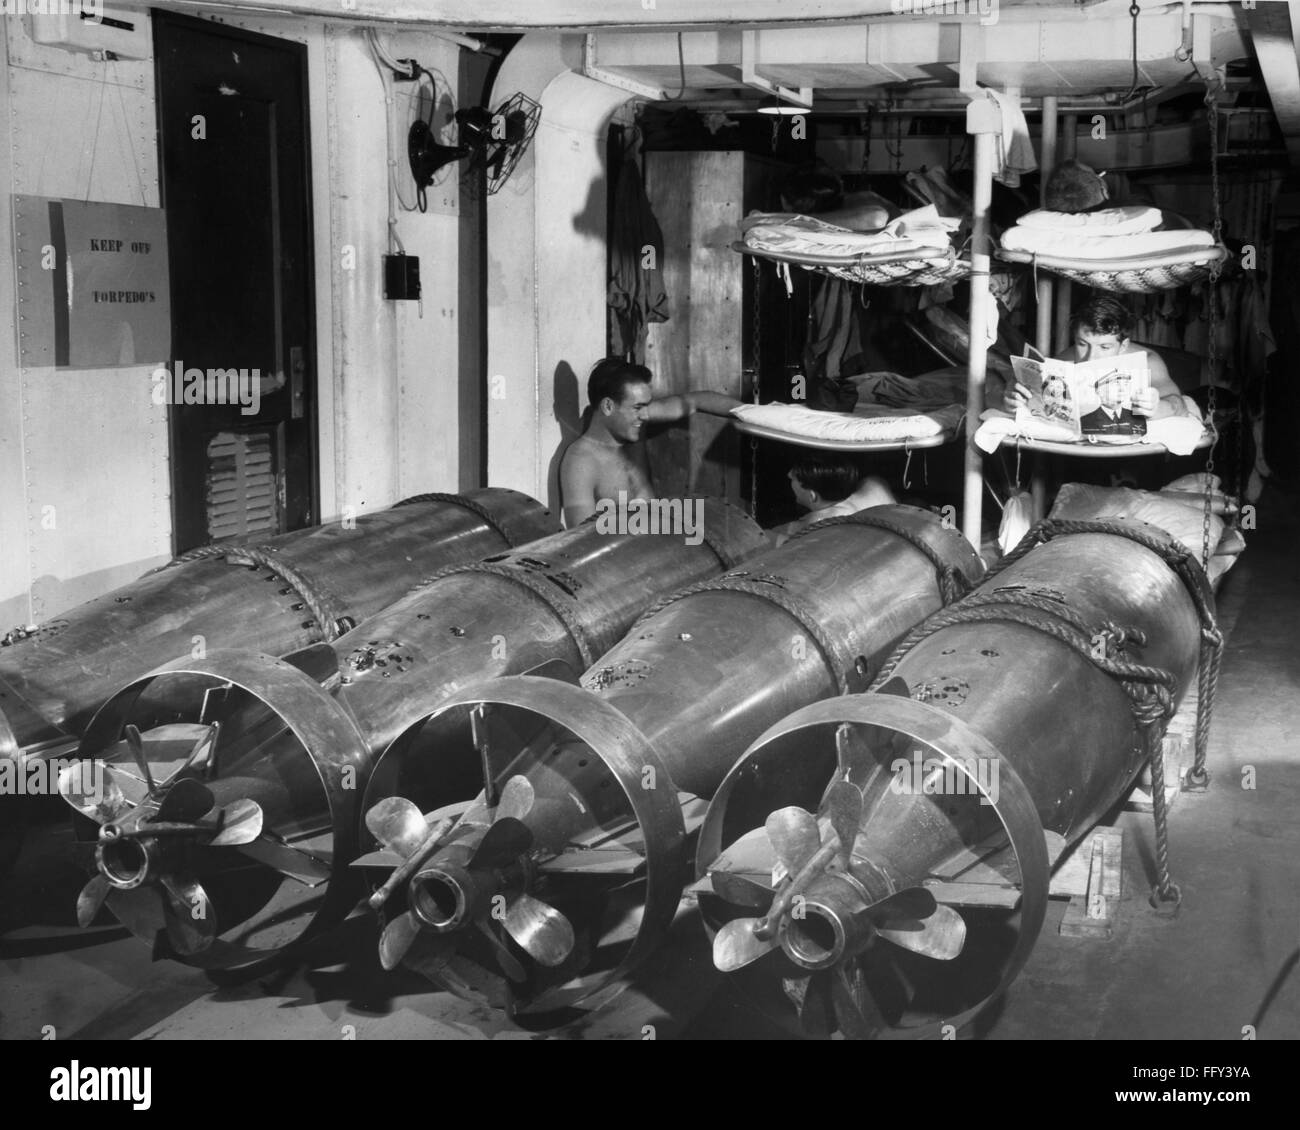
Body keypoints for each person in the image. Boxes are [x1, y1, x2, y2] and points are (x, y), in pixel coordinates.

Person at [559, 357, 743, 527]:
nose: (646, 415)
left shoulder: (630, 420)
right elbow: (581, 543)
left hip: (660, 541)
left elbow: (696, 401)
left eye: (646, 405)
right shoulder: (581, 463)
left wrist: (755, 413)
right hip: (629, 557)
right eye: (638, 407)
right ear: (608, 406)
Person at [1004, 295, 1188, 421]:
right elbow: (1032, 399)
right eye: (1082, 344)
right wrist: (1014, 401)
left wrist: (1156, 407)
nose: (1091, 358)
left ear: (1122, 345)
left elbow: (1179, 404)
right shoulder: (1065, 361)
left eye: (1105, 347)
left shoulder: (1147, 361)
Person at [773, 452, 895, 545]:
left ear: (812, 496)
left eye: (794, 478)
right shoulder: (875, 485)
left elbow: (769, 539)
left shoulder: (815, 523)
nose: (788, 474)